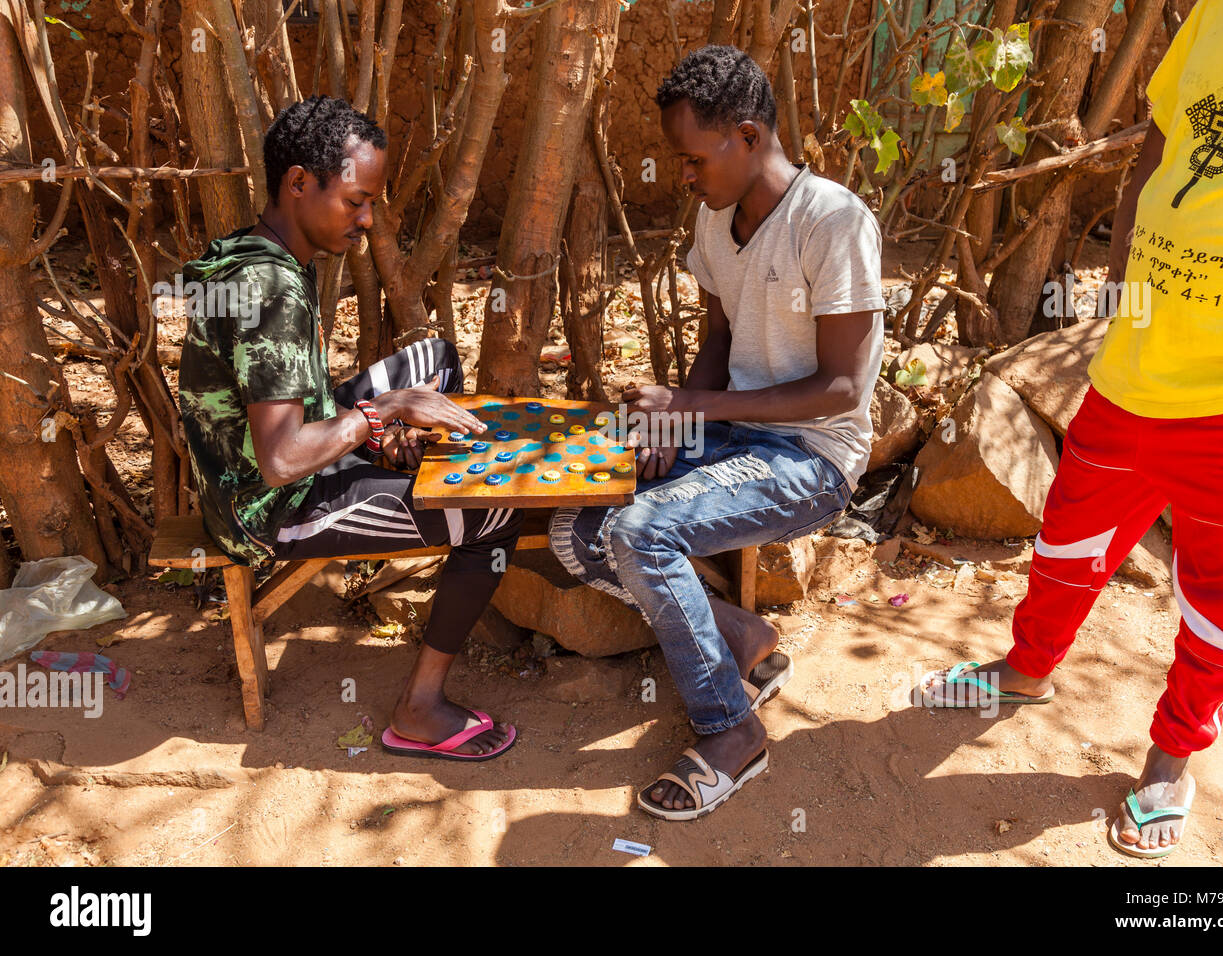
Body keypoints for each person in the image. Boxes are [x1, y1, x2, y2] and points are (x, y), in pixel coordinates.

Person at [922, 0, 1223, 858]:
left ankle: (1172, 755)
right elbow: (1161, 145)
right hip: (1135, 372)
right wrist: (1123, 285)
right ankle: (1026, 670)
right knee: (1070, 540)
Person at [550, 46, 886, 820]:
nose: (686, 177)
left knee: (638, 534)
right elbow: (721, 336)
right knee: (579, 528)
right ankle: (740, 637)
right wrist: (679, 410)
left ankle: (732, 733)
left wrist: (697, 407)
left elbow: (841, 388)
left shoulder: (832, 222)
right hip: (736, 435)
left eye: (693, 159)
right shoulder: (715, 216)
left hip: (812, 455)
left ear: (748, 135)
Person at [179, 96, 522, 760]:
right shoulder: (271, 290)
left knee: (435, 361)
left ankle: (404, 475)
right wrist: (381, 416)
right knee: (493, 514)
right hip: (266, 506)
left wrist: (377, 421)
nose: (367, 219)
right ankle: (420, 710)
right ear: (300, 183)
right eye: (356, 200)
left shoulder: (257, 253)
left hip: (260, 459)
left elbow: (279, 405)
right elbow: (279, 460)